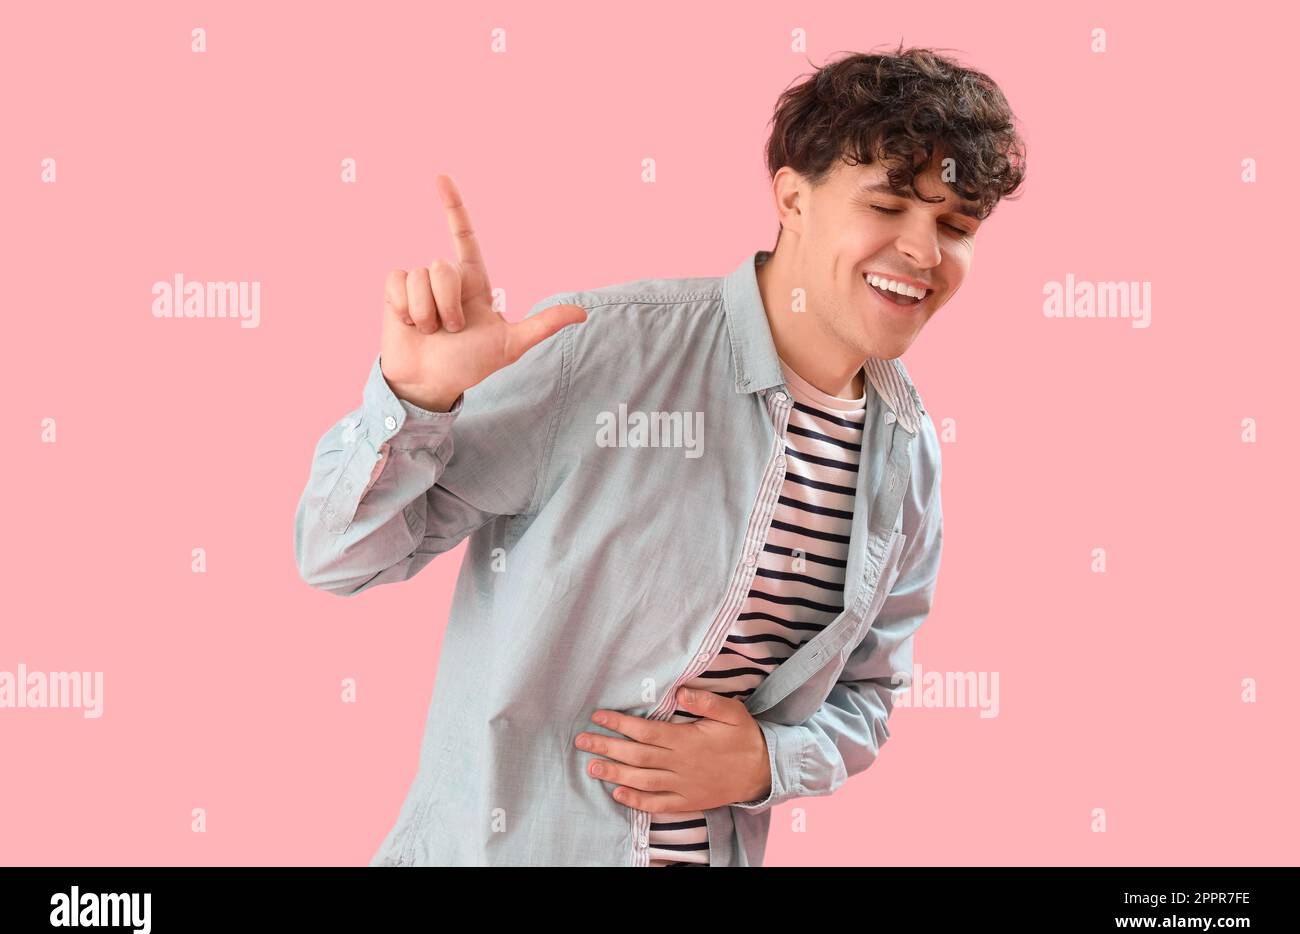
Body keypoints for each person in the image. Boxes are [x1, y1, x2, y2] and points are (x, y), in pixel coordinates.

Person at [294, 44, 1026, 866]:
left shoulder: (907, 451)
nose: (925, 253)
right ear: (792, 196)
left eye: (955, 226)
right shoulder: (600, 352)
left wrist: (765, 763)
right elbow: (338, 557)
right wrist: (416, 399)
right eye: (889, 205)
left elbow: (870, 692)